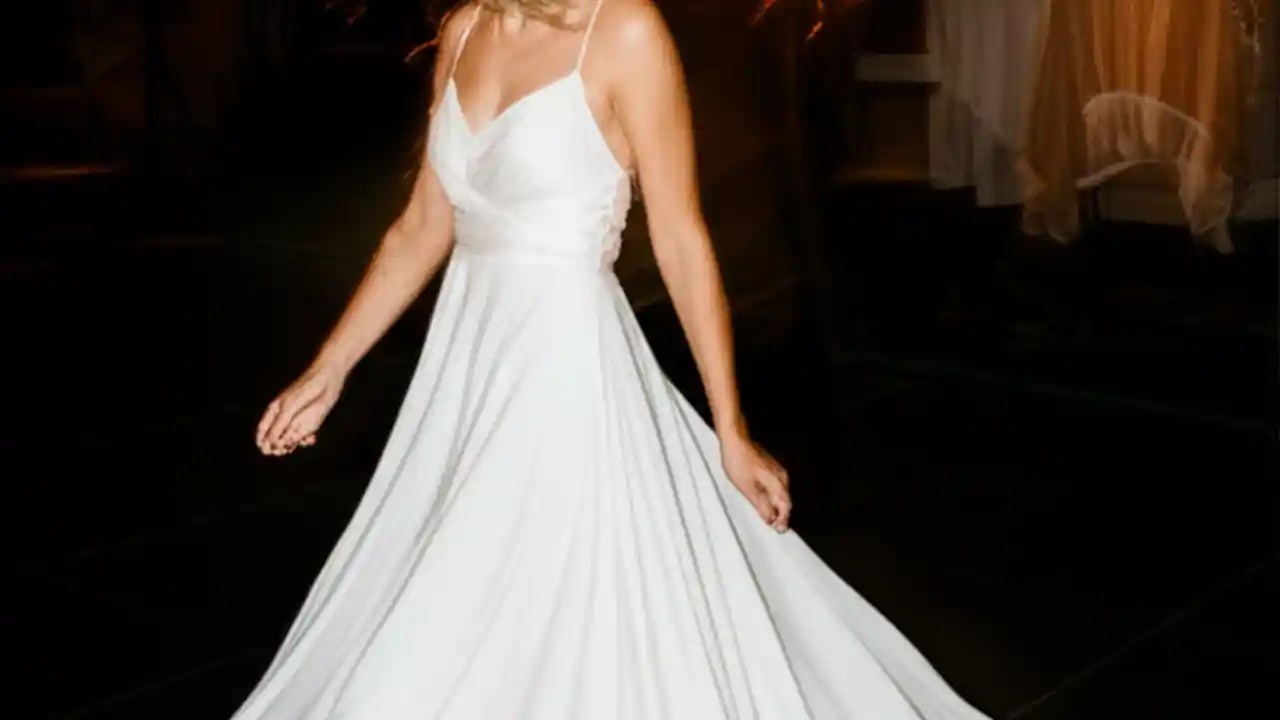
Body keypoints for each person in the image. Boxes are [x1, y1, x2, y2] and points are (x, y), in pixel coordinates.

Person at [236, 1, 992, 717]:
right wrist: (328, 369)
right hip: (467, 370)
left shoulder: (626, 31)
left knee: (483, 603)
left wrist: (731, 429)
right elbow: (422, 227)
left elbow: (681, 238)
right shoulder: (467, 29)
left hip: (565, 372)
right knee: (468, 601)